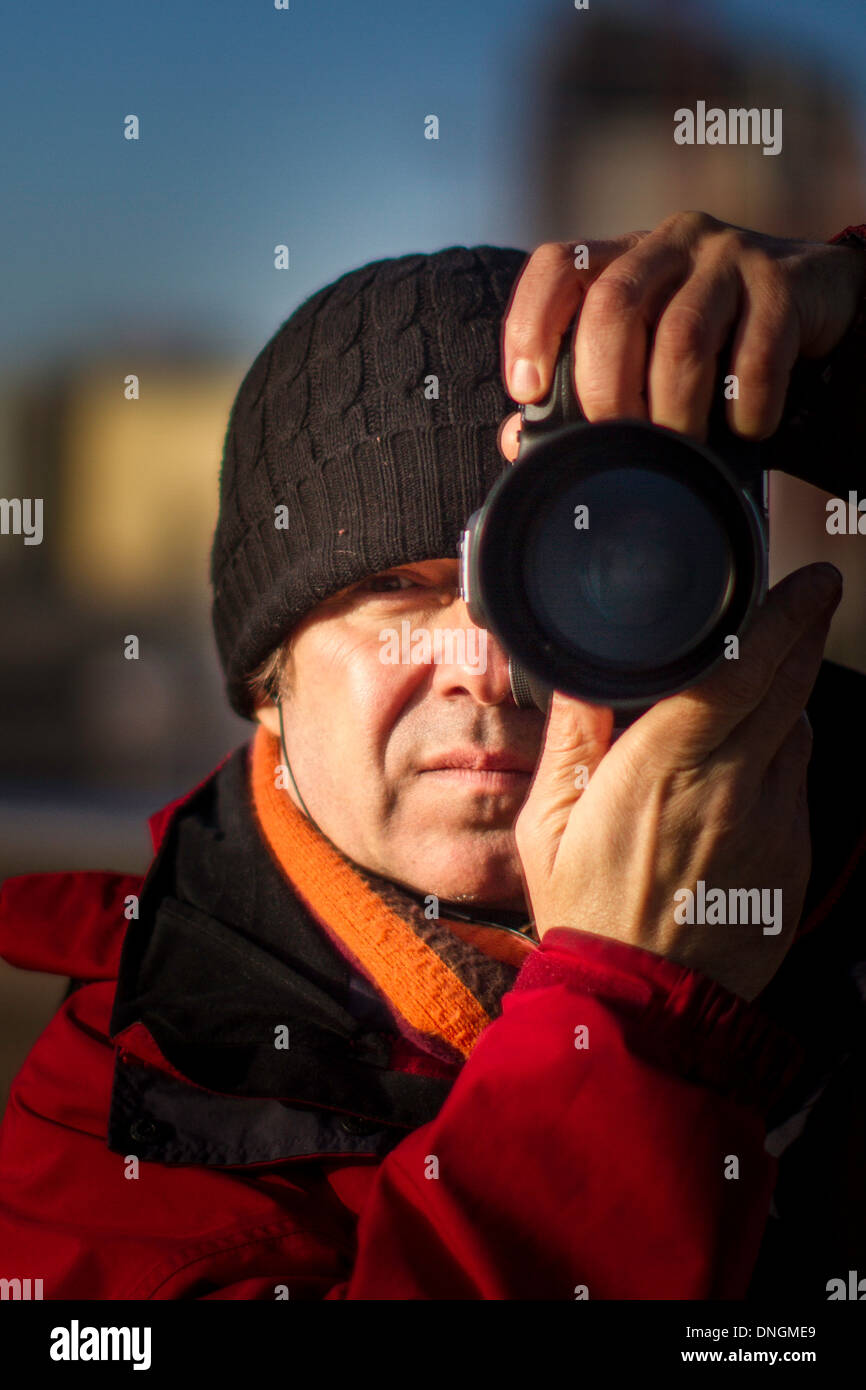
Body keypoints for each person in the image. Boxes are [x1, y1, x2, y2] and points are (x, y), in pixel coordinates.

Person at [1, 211, 865, 1300]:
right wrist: (632, 1026)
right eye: (394, 590)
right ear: (268, 678)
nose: (489, 665)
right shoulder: (116, 1121)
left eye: (574, 574)